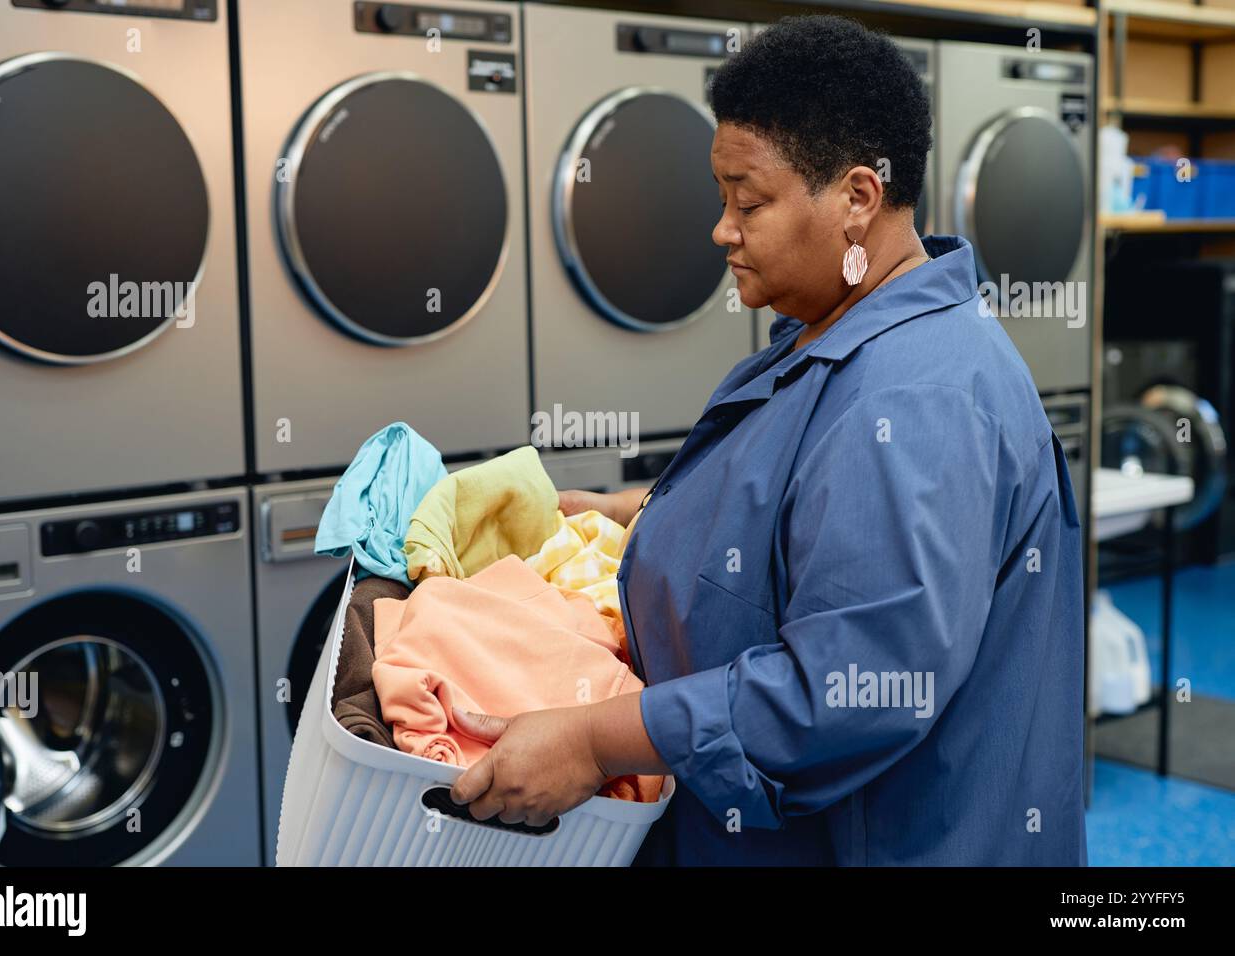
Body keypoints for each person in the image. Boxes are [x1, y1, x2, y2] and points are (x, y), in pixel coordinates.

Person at [449, 13, 1087, 865]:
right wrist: (644, 512)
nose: (723, 229)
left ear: (858, 199)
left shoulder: (917, 400)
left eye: (749, 202)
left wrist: (598, 739)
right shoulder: (842, 328)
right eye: (723, 200)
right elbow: (810, 501)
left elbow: (849, 689)